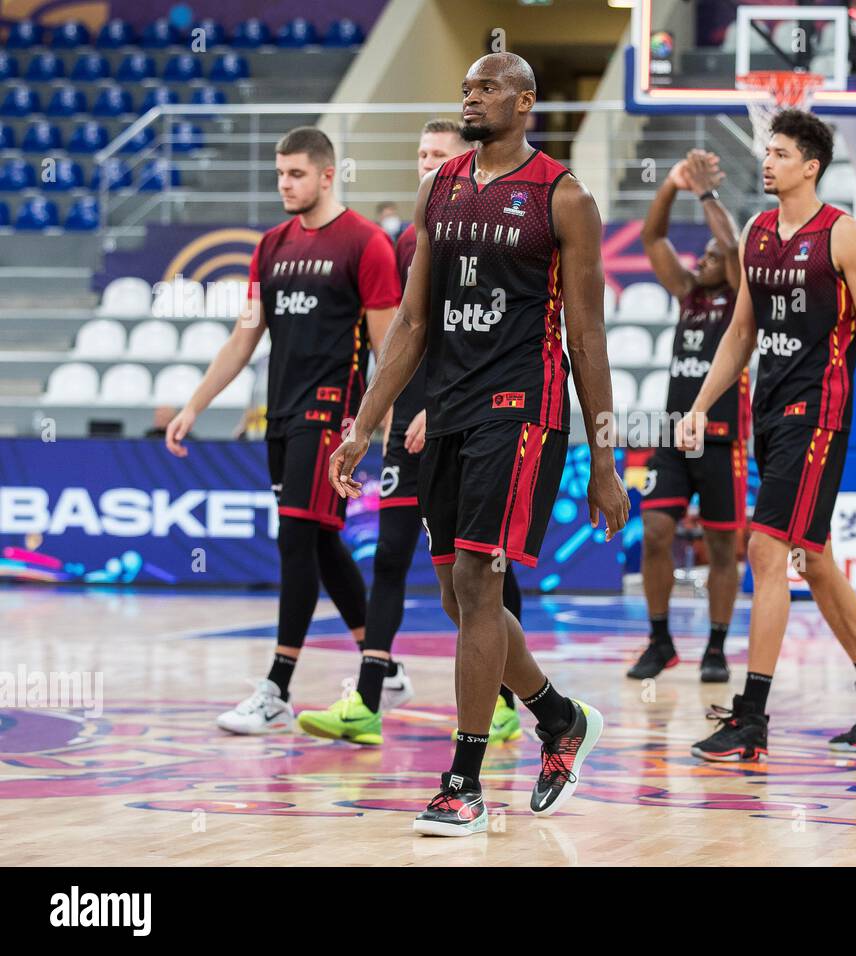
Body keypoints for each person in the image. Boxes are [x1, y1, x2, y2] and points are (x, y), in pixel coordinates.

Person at [328, 53, 629, 835]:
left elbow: (588, 335)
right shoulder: (441, 188)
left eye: (487, 87)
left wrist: (604, 457)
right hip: (450, 409)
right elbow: (413, 325)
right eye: (465, 87)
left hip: (524, 409)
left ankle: (463, 781)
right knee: (460, 595)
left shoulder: (564, 196)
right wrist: (363, 425)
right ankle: (559, 717)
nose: (472, 97)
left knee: (477, 576)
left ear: (526, 103)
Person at [676, 109, 856, 760]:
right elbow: (740, 336)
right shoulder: (757, 231)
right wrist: (702, 404)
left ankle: (751, 718)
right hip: (769, 412)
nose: (768, 161)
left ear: (811, 166)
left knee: (766, 551)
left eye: (781, 153)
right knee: (811, 560)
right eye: (767, 151)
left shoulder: (846, 237)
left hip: (818, 415)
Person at [165, 127, 403, 733]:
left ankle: (276, 688)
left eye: (296, 174)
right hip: (281, 414)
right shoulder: (270, 245)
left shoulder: (366, 245)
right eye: (279, 174)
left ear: (327, 175)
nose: (285, 185)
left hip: (333, 416)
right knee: (320, 541)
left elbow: (389, 349)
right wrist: (195, 402)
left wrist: (388, 427)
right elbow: (245, 337)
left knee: (295, 537)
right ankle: (386, 666)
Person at [297, 121, 524, 746]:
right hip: (411, 419)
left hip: (466, 418)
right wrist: (382, 412)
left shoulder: (491, 234)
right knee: (392, 554)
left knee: (484, 569)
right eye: (419, 153)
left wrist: (443, 406)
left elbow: (479, 338)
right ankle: (368, 699)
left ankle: (504, 700)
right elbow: (406, 336)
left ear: (465, 162)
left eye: (438, 155)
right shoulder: (410, 239)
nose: (427, 163)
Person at [629, 148, 745, 684]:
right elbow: (653, 240)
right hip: (675, 435)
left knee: (723, 547)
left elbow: (733, 246)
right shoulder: (688, 296)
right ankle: (660, 640)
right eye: (700, 260)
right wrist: (671, 185)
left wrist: (704, 192)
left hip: (723, 438)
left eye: (710, 261)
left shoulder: (741, 298)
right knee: (655, 530)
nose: (703, 262)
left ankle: (716, 648)